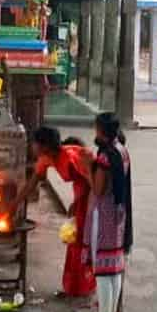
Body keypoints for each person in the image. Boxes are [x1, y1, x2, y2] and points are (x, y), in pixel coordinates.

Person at [12, 127, 95, 299]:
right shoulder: (46, 158)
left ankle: (86, 287)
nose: (32, 146)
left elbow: (92, 182)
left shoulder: (72, 157)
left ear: (45, 146)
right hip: (80, 193)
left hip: (93, 195)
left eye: (34, 143)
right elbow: (31, 184)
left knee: (82, 242)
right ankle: (74, 287)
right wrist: (13, 206)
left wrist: (81, 202)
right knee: (74, 242)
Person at [85, 112, 133, 312]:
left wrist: (88, 166)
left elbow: (98, 189)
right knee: (114, 268)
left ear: (101, 131)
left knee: (103, 270)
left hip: (104, 216)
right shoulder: (122, 150)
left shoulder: (105, 157)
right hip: (118, 216)